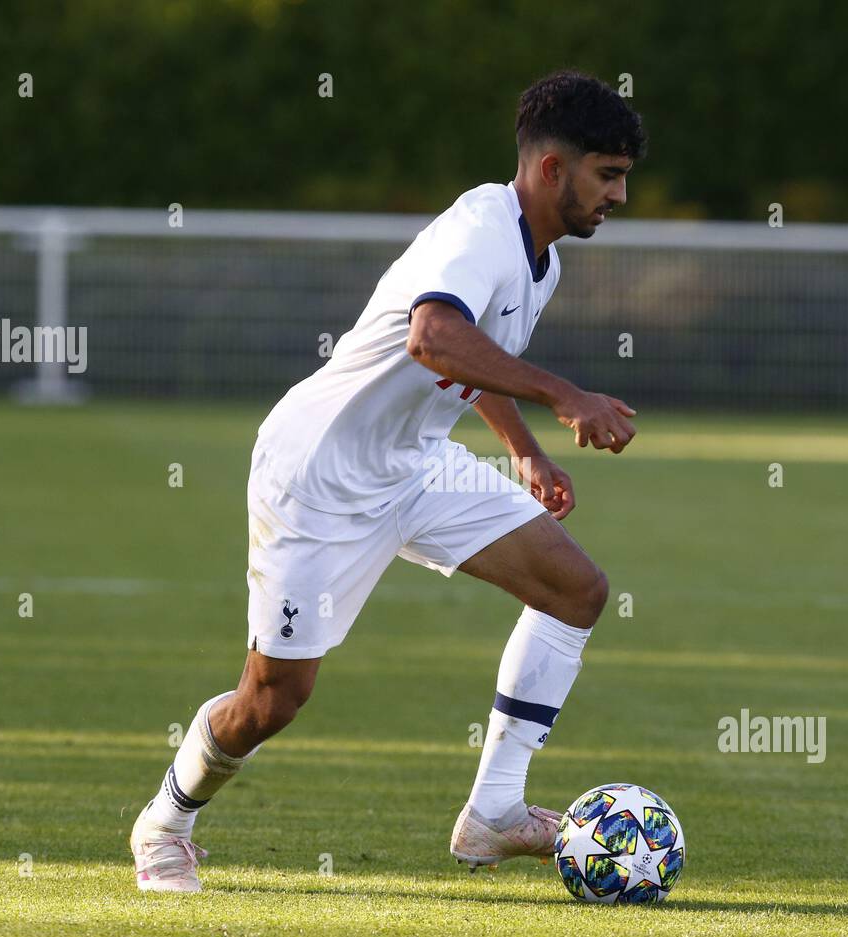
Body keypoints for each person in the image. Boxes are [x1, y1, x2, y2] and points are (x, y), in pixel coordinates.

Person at [131, 69, 646, 891]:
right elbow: (433, 337)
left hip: (416, 464)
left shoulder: (540, 259)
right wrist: (561, 395)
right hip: (320, 474)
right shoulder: (482, 226)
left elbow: (466, 366)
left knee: (575, 589)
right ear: (553, 168)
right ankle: (165, 821)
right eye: (608, 175)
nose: (619, 195)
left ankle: (495, 814)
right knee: (273, 699)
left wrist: (521, 449)